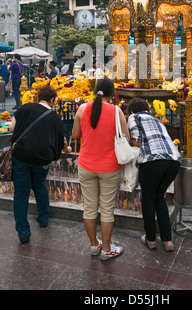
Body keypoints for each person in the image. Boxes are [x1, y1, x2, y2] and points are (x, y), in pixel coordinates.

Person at [72, 78, 129, 260]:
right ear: (112, 94)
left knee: (89, 208)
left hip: (86, 165)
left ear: (95, 91)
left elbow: (75, 135)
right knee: (106, 209)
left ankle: (93, 245)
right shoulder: (116, 111)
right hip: (109, 168)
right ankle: (106, 249)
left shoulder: (82, 109)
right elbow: (126, 137)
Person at [10, 85, 65, 243]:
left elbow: (13, 128)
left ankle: (23, 233)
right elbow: (59, 141)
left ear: (37, 97)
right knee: (39, 185)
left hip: (21, 156)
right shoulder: (54, 117)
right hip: (42, 158)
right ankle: (43, 218)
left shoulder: (24, 108)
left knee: (21, 193)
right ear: (52, 100)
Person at [127, 97, 182, 252]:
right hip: (173, 161)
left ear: (131, 110)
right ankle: (167, 240)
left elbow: (137, 141)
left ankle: (150, 239)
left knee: (148, 198)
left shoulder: (134, 117)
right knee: (159, 197)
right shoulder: (156, 119)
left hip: (152, 161)